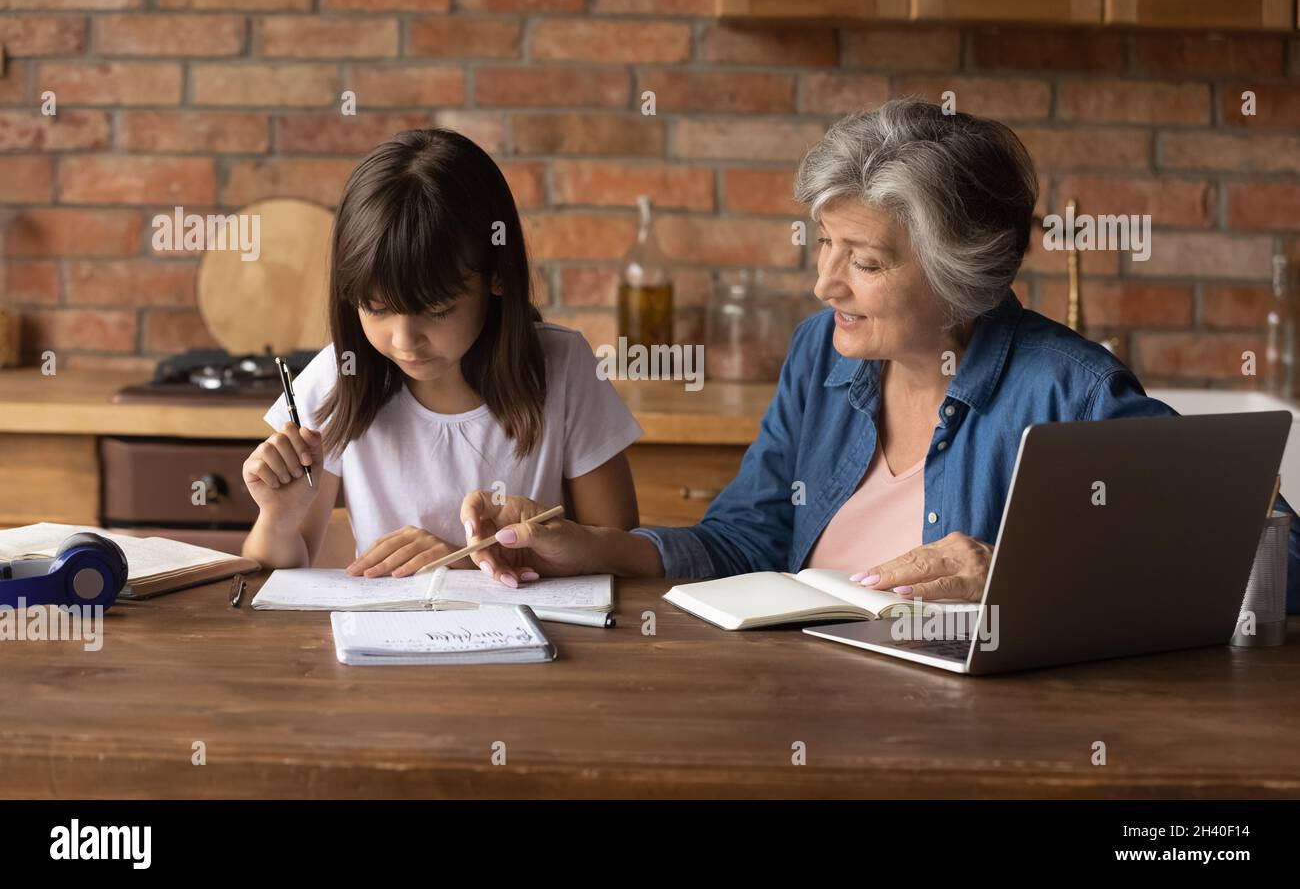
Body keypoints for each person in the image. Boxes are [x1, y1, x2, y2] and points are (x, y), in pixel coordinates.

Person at [458, 99, 1300, 613]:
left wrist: (1015, 577)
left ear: (956, 274)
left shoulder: (1068, 388)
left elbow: (1278, 558)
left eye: (864, 261)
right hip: (804, 702)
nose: (826, 283)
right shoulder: (820, 356)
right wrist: (596, 548)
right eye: (822, 244)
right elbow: (750, 537)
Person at [241, 129, 642, 583]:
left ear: (496, 277)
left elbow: (621, 554)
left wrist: (462, 563)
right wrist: (278, 517)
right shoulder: (337, 379)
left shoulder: (563, 368)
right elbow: (271, 579)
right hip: (382, 643)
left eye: (436, 311)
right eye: (376, 308)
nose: (405, 340)